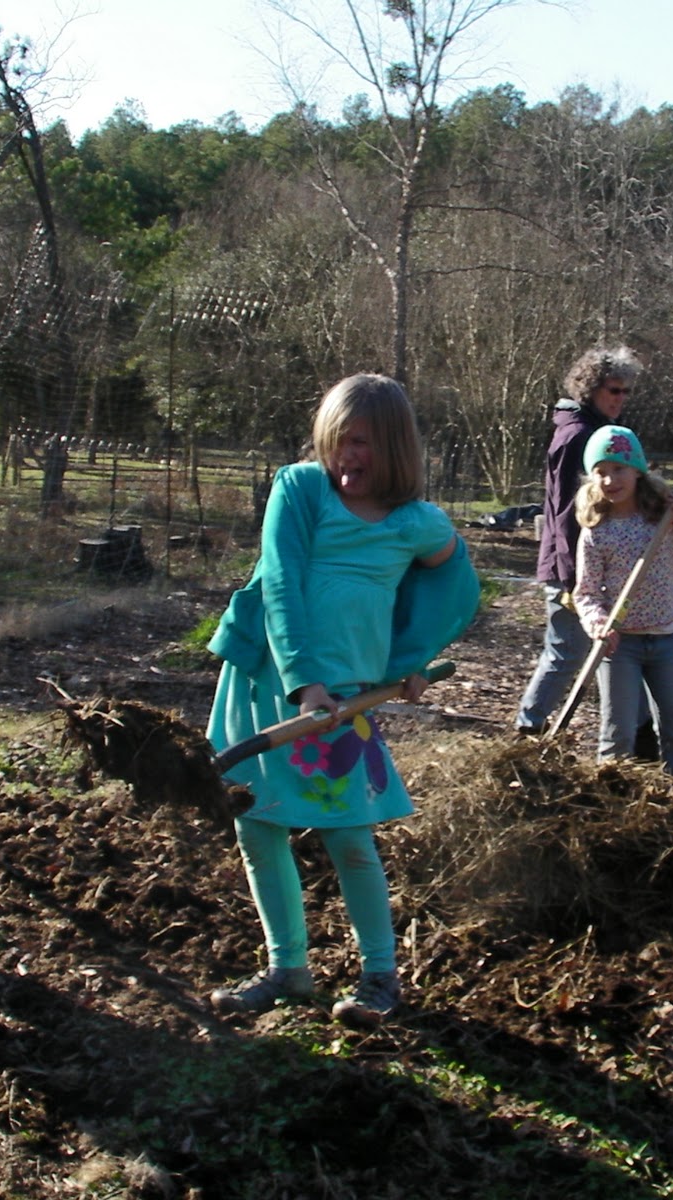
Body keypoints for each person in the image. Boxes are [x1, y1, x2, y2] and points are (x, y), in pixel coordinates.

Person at [206, 374, 479, 1027]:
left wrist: (407, 661)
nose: (344, 457)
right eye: (336, 442)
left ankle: (379, 977)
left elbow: (459, 586)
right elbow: (281, 582)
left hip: (343, 705)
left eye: (360, 443)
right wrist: (304, 681)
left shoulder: (417, 524)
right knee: (258, 826)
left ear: (392, 448)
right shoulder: (300, 489)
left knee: (349, 836)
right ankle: (286, 968)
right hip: (272, 685)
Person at [572, 425, 673, 778]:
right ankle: (611, 797)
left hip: (665, 640)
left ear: (638, 470)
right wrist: (598, 624)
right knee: (618, 734)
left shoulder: (664, 516)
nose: (610, 480)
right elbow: (584, 593)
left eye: (618, 469)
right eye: (600, 473)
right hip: (619, 645)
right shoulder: (598, 531)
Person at [515, 346, 654, 745]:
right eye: (614, 390)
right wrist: (573, 578)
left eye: (627, 391)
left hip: (606, 566)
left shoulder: (605, 434)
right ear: (590, 388)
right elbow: (564, 514)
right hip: (573, 570)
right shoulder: (576, 436)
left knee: (624, 652)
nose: (620, 399)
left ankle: (643, 734)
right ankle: (529, 728)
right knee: (567, 651)